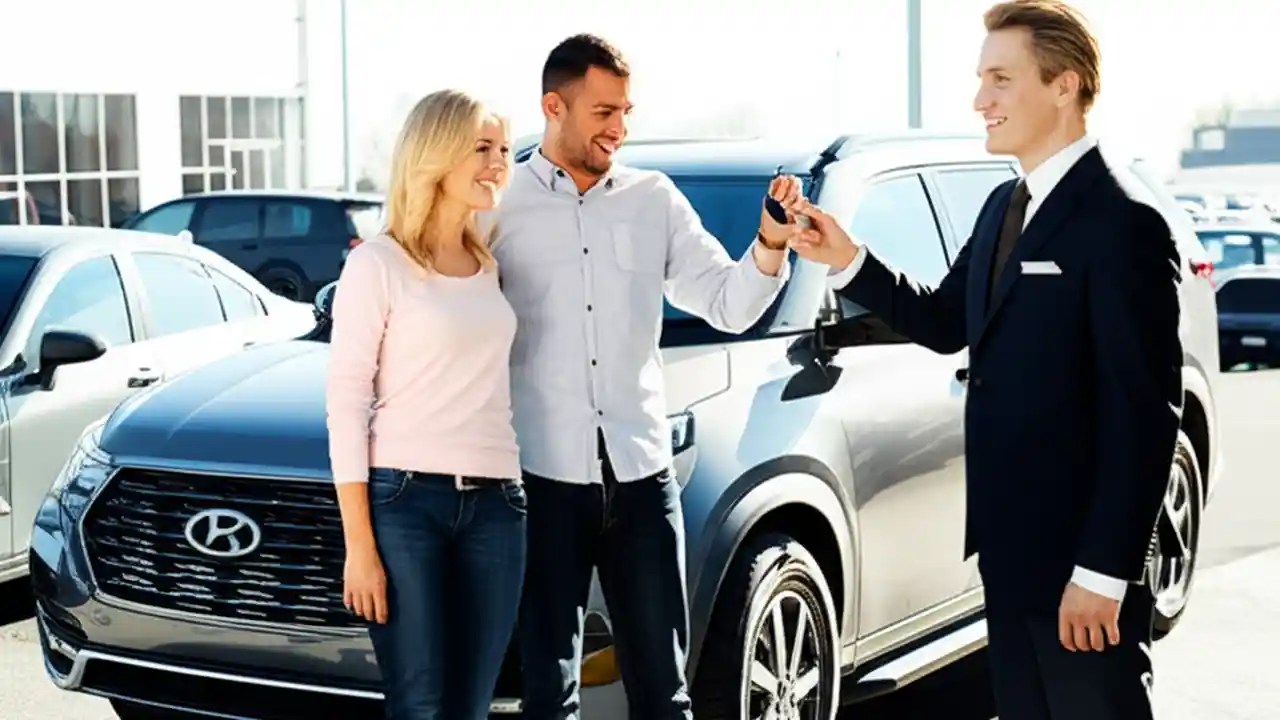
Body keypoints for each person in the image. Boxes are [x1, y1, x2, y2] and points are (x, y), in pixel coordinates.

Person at [783, 2, 1182, 718]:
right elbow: (945, 322)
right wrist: (847, 258)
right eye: (981, 79)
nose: (980, 100)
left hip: (1080, 569)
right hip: (1007, 554)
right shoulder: (1004, 205)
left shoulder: (1124, 221)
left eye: (1000, 79)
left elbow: (1145, 416)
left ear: (1064, 85)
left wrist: (1104, 572)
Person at [488, 33, 801, 720]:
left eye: (625, 111)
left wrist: (770, 243)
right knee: (548, 696)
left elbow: (729, 304)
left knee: (664, 693)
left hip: (641, 479)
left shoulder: (653, 199)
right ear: (553, 107)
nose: (619, 128)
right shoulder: (497, 205)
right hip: (541, 480)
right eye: (603, 111)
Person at [325, 89, 527, 720]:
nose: (499, 163)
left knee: (472, 707)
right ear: (436, 155)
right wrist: (359, 547)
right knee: (419, 704)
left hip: (498, 504)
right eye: (483, 148)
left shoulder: (489, 261)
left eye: (503, 149)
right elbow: (346, 403)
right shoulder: (377, 264)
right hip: (406, 505)